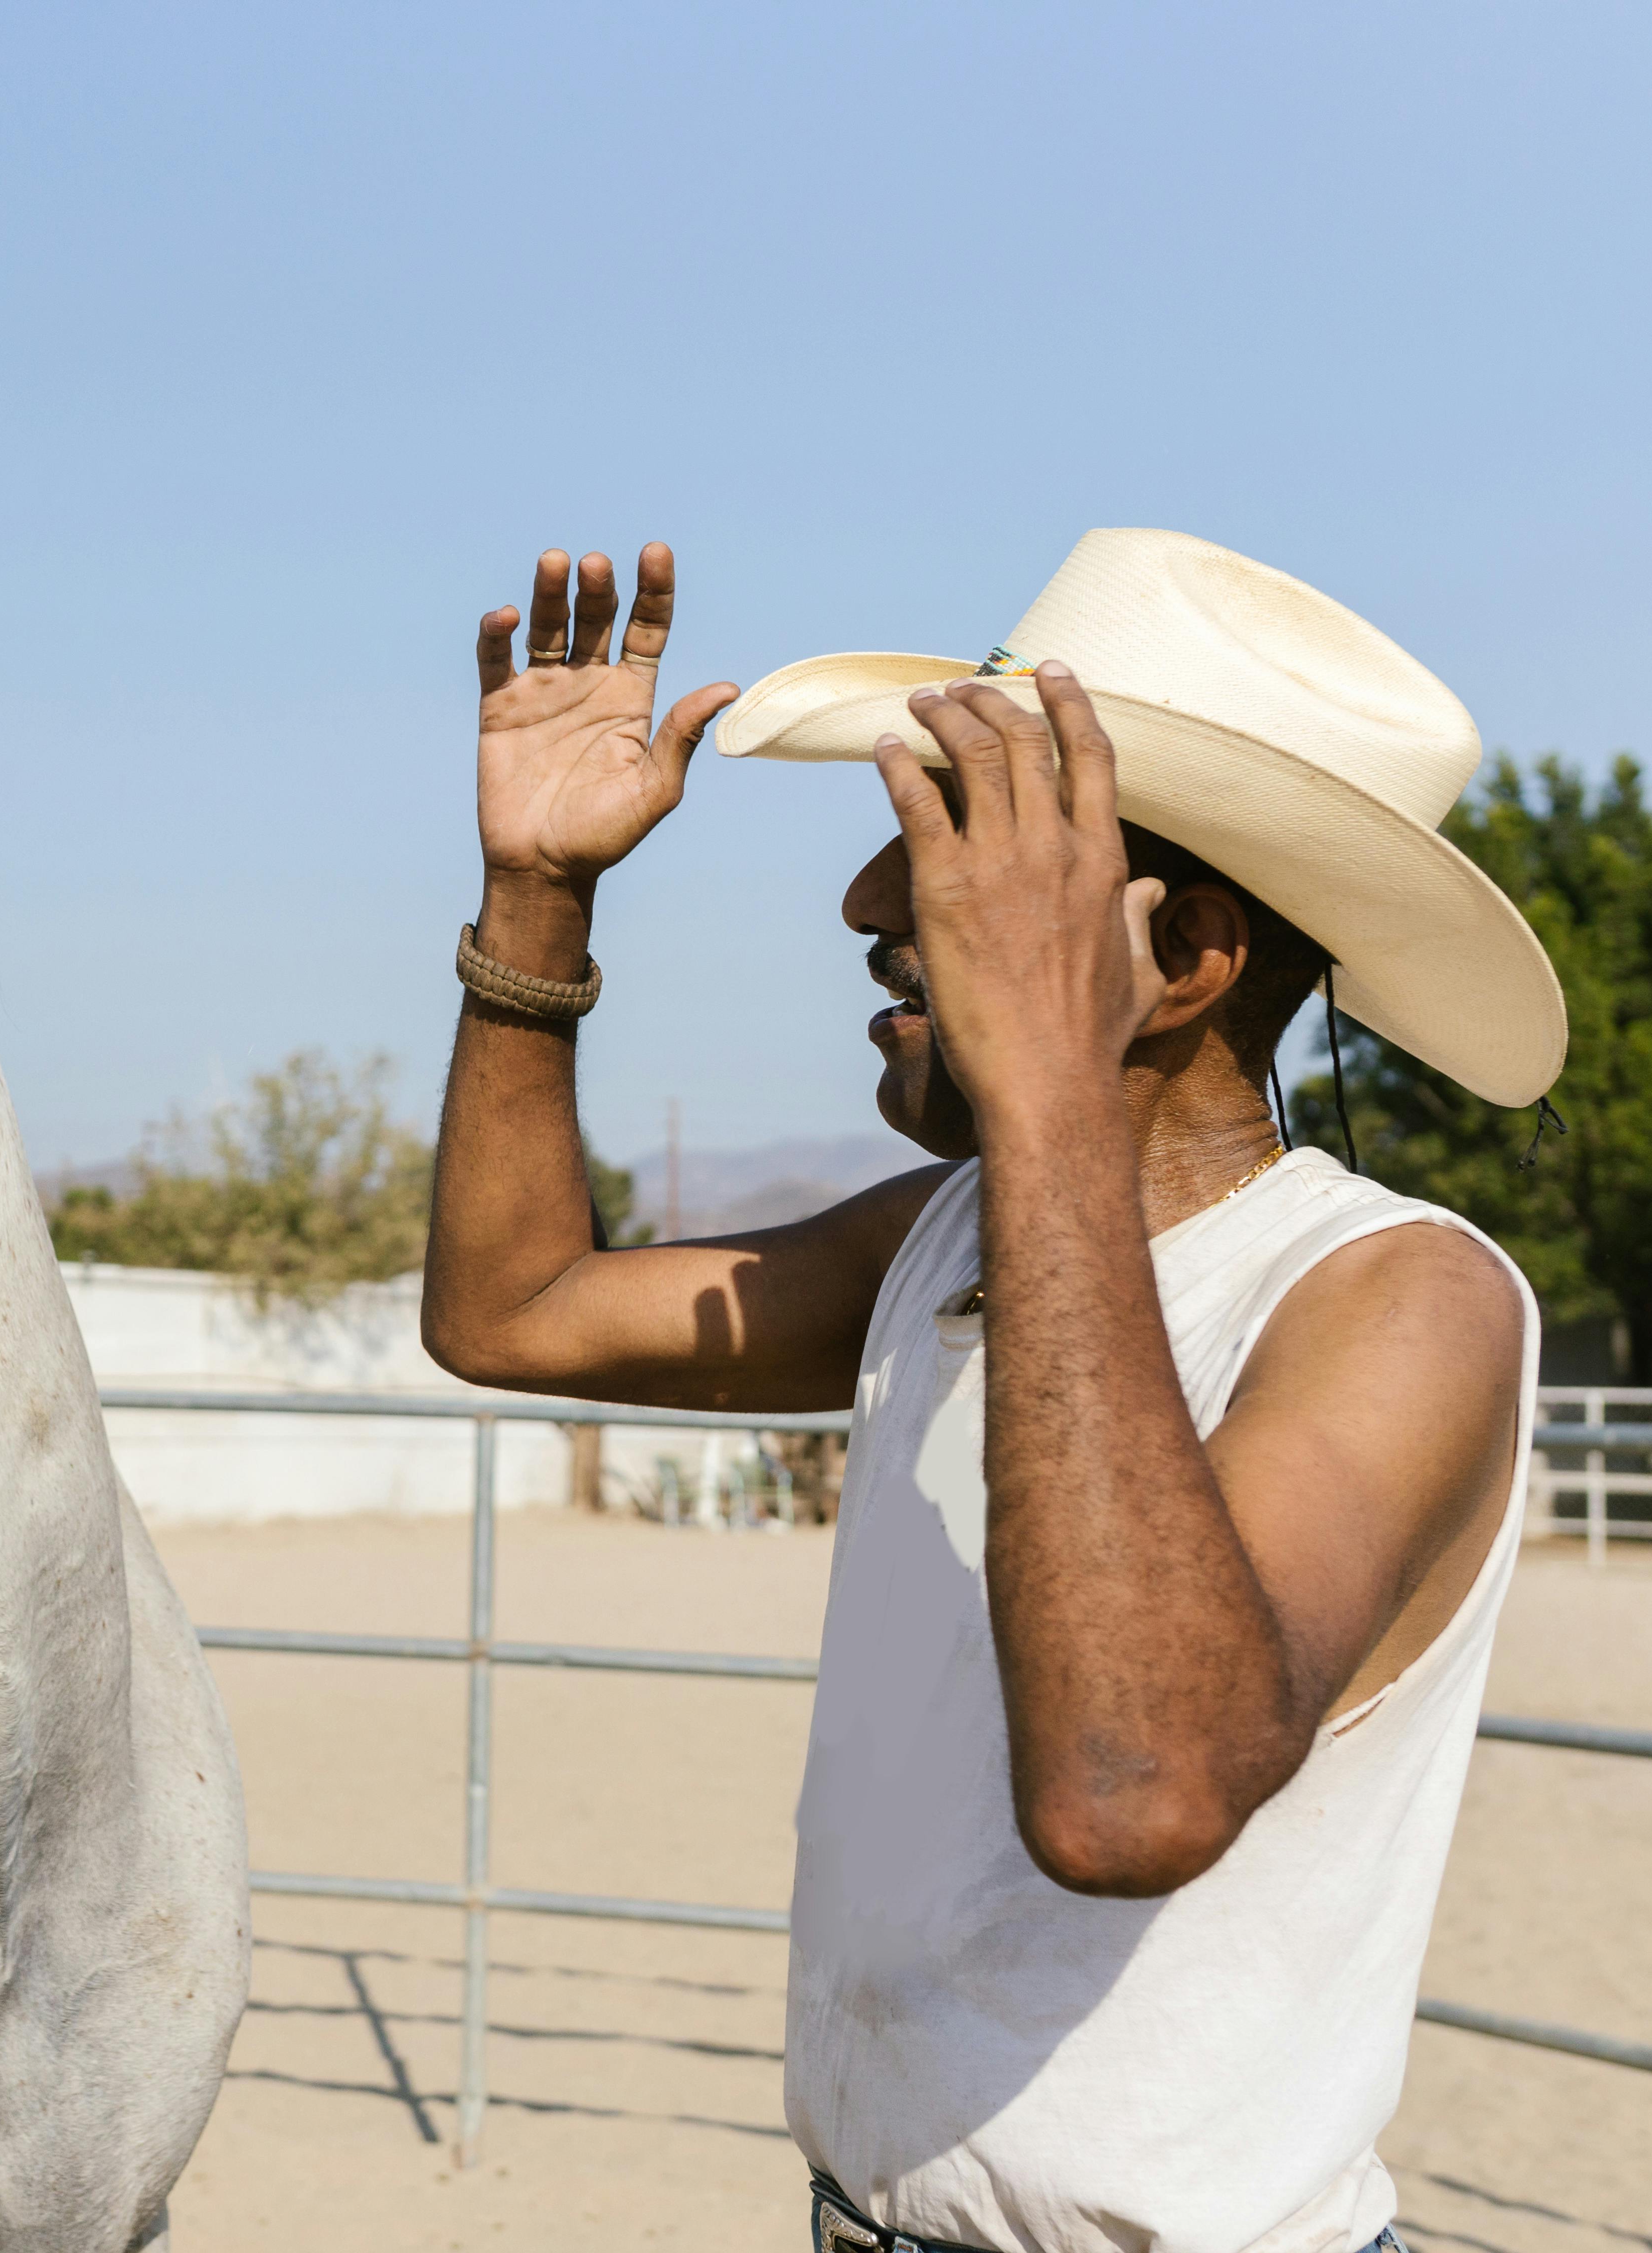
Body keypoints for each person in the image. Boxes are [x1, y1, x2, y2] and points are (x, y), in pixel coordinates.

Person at [419, 528, 1560, 2253]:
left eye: (957, 855)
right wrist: (538, 901)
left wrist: (1045, 1094)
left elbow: (1131, 1793)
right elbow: (513, 1313)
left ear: (1181, 963)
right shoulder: (940, 1234)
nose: (874, 905)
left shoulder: (1398, 1297)